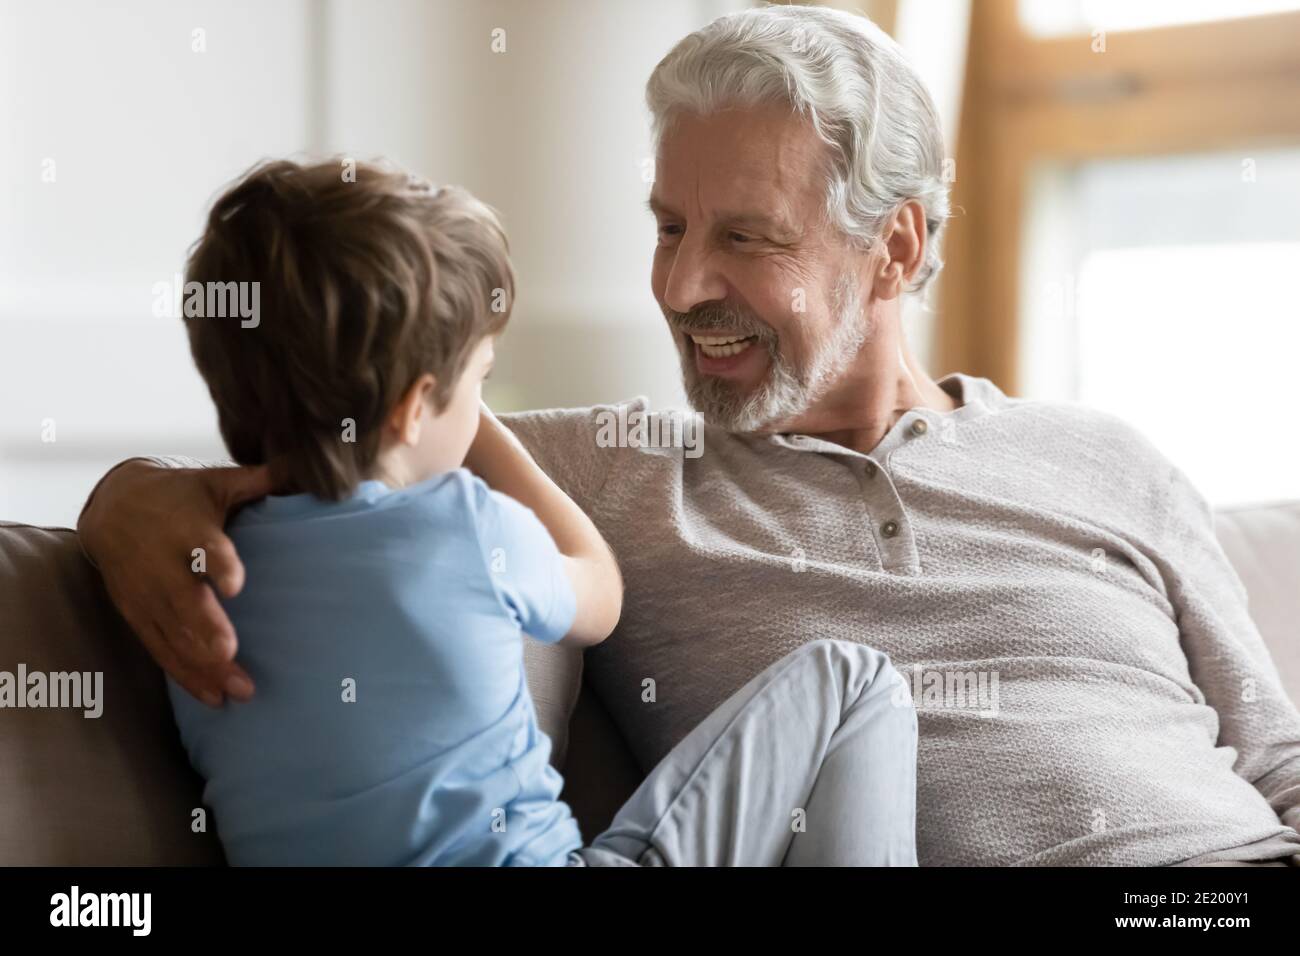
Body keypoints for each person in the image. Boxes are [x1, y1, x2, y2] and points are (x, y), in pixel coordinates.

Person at [158, 157, 918, 866]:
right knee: (851, 677)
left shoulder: (192, 589)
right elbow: (599, 593)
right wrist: (476, 426)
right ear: (417, 406)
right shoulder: (459, 529)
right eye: (478, 378)